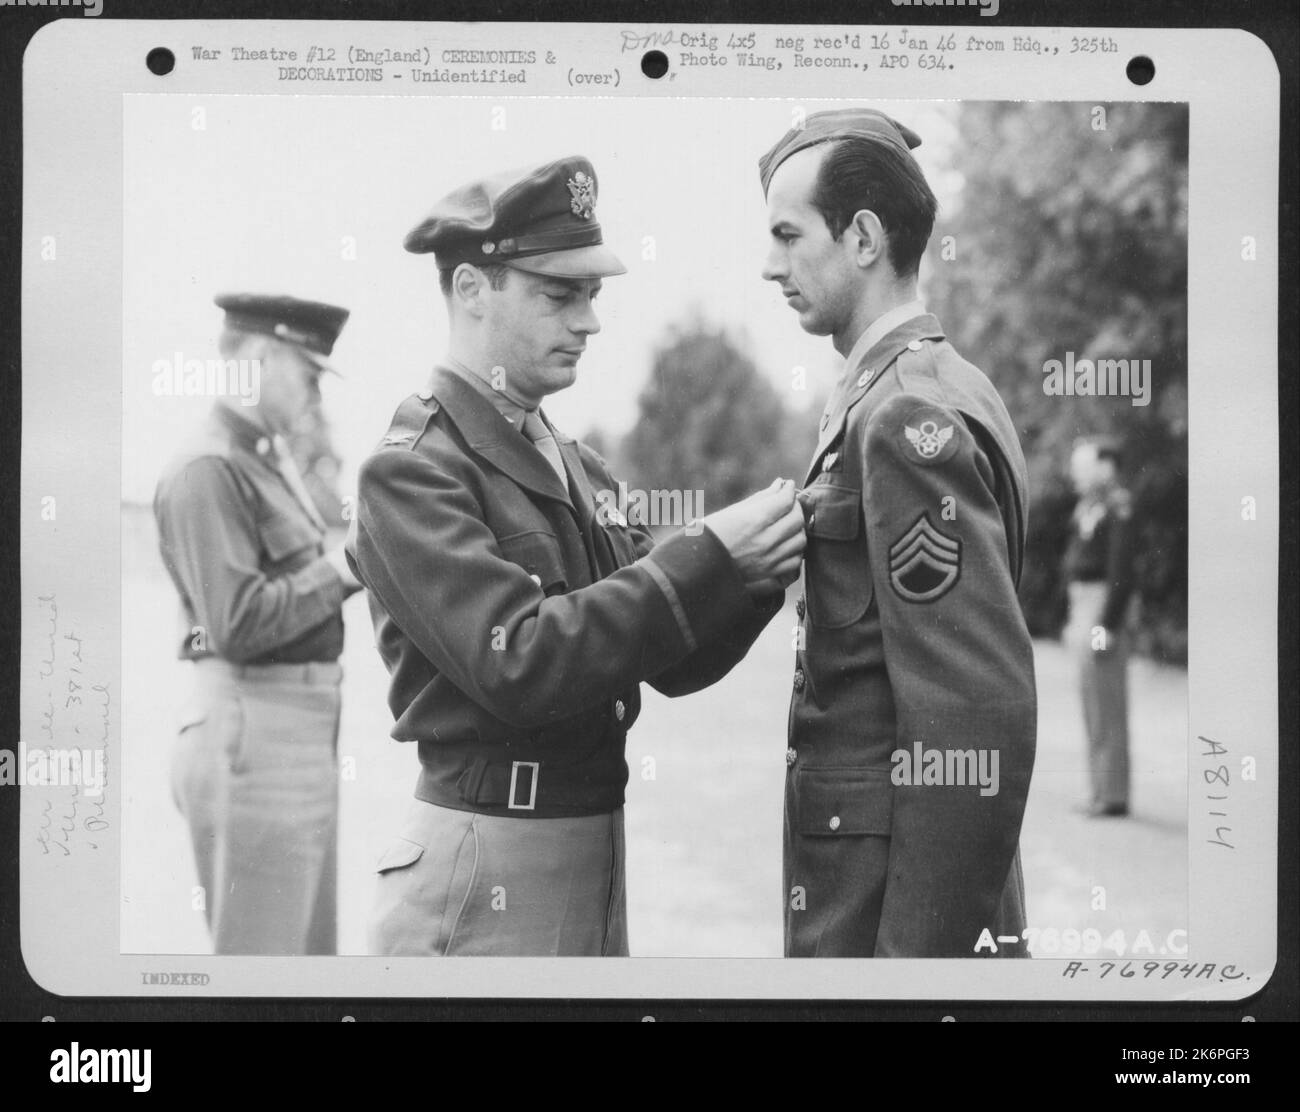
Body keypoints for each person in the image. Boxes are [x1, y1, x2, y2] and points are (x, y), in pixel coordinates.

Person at [348, 155, 806, 957]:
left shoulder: (577, 463)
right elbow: (518, 662)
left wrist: (753, 570)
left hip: (586, 844)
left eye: (592, 295)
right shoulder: (414, 469)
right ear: (470, 291)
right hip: (488, 856)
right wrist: (707, 552)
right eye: (560, 295)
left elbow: (667, 660)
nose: (589, 321)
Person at [759, 108, 1037, 957]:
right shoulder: (930, 383)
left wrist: (913, 973)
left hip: (888, 910)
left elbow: (973, 715)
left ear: (865, 237)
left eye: (786, 234)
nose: (770, 266)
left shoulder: (905, 411)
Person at [154, 293, 363, 955]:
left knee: (305, 971)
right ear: (256, 356)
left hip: (292, 734)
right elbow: (238, 622)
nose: (314, 392)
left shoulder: (264, 458)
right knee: (262, 978)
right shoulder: (208, 466)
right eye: (306, 370)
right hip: (254, 737)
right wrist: (350, 566)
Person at [1064, 436, 1137, 817]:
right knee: (1091, 702)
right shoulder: (1088, 506)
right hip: (1083, 606)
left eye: (1084, 468)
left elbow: (1120, 571)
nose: (1077, 476)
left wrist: (1106, 625)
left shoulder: (1116, 506)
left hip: (1100, 608)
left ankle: (1112, 795)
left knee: (1106, 700)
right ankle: (1098, 789)